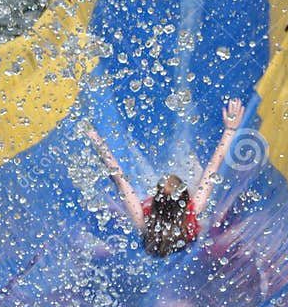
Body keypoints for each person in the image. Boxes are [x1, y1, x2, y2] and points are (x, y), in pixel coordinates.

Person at [87, 98, 245, 257]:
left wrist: (94, 137)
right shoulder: (193, 213)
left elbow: (118, 177)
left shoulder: (143, 222)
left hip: (155, 248)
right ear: (186, 202)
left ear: (155, 201)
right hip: (186, 243)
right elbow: (213, 169)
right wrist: (230, 129)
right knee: (196, 168)